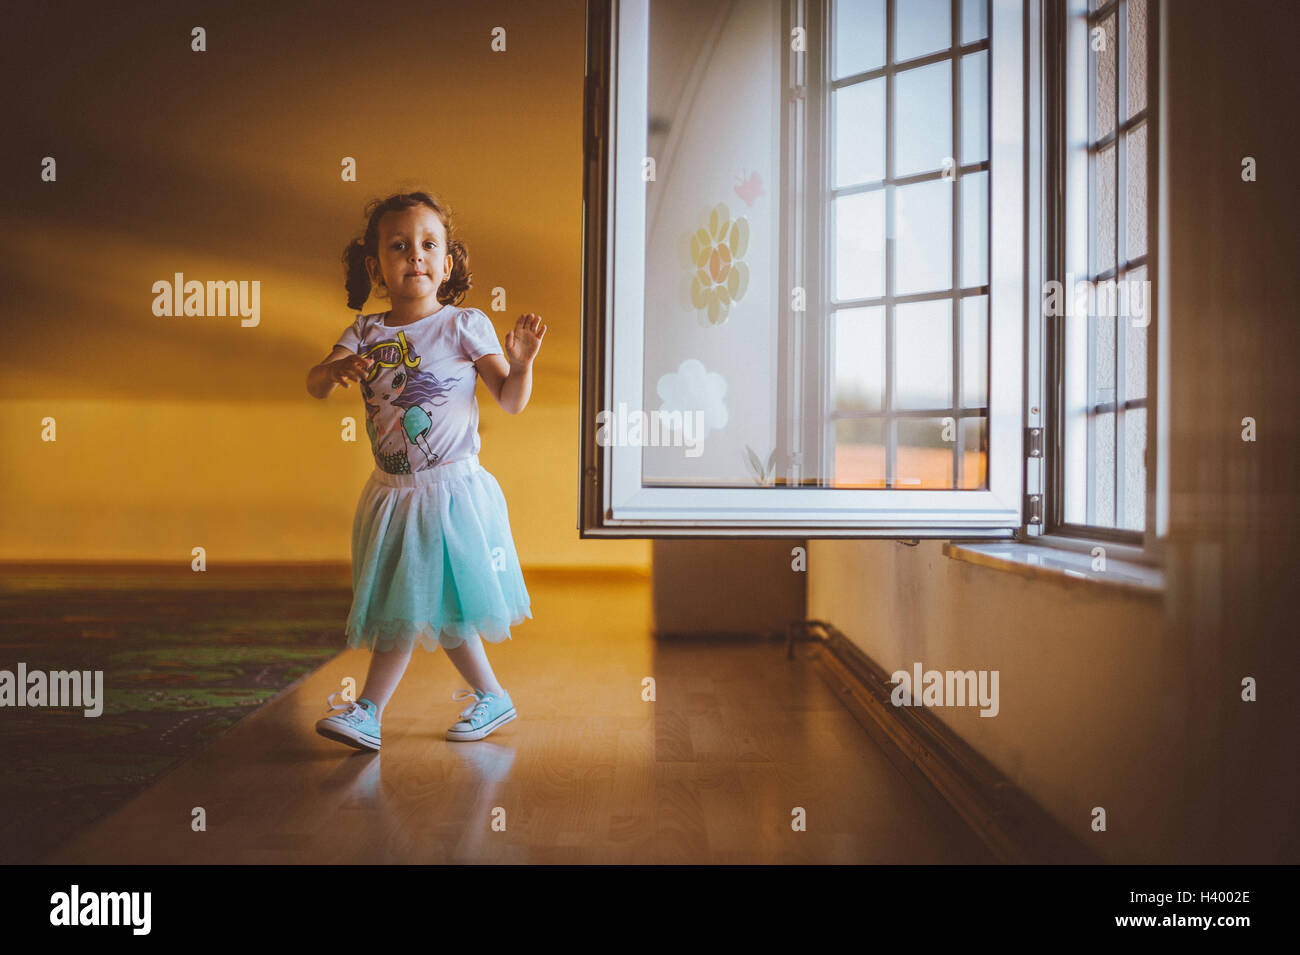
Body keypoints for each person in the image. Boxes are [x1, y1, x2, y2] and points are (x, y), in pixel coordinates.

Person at [305, 190, 545, 751]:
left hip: (451, 492)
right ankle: (491, 696)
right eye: (399, 246)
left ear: (448, 262)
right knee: (426, 601)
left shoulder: (464, 324)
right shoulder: (364, 332)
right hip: (392, 494)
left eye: (429, 244)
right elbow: (315, 383)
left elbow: (509, 399)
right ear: (376, 267)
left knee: (410, 602)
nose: (416, 255)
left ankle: (368, 710)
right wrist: (336, 368)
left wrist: (524, 363)